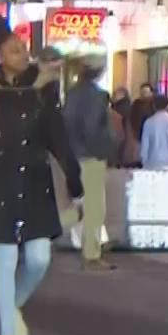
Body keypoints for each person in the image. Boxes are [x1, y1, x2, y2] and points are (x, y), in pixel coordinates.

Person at [0, 18, 84, 335]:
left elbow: (57, 134)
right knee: (5, 258)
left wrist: (72, 177)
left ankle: (12, 306)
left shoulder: (44, 86)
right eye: (14, 49)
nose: (23, 53)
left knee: (38, 258)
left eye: (23, 48)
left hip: (34, 179)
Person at [61, 58, 118, 270]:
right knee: (94, 208)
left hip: (74, 154)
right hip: (91, 155)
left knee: (83, 205)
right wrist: (106, 146)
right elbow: (93, 128)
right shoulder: (97, 96)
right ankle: (91, 253)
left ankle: (42, 229)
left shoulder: (72, 93)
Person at [139, 93, 168, 171]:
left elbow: (145, 146)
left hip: (152, 163)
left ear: (154, 106)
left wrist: (144, 162)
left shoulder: (148, 122)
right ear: (167, 105)